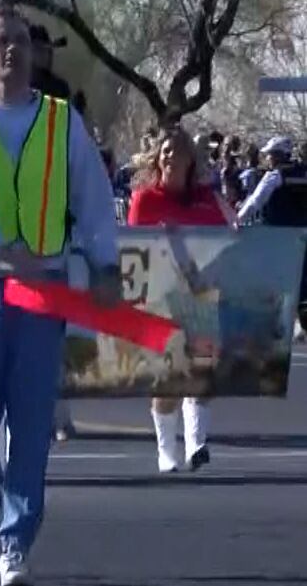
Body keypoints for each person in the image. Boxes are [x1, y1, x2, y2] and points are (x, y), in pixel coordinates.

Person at [0, 5, 120, 585]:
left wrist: (105, 263)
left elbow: (91, 195)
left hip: (42, 293)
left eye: (20, 43)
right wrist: (4, 251)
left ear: (32, 55)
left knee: (32, 425)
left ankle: (15, 542)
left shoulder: (62, 122)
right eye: (0, 42)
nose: (12, 50)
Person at [126, 126, 230, 473]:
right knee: (169, 378)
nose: (170, 156)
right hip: (161, 299)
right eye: (165, 150)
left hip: (201, 297)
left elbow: (228, 238)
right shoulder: (144, 199)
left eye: (178, 150)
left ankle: (197, 445)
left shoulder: (207, 198)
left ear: (191, 159)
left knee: (202, 371)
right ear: (157, 157)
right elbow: (134, 251)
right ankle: (166, 450)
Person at [237, 136, 307, 333]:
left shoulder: (274, 176)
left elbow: (255, 202)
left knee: (275, 283)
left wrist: (237, 221)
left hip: (277, 238)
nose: (268, 159)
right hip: (302, 238)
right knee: (301, 284)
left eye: (270, 155)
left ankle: (278, 327)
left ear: (277, 156)